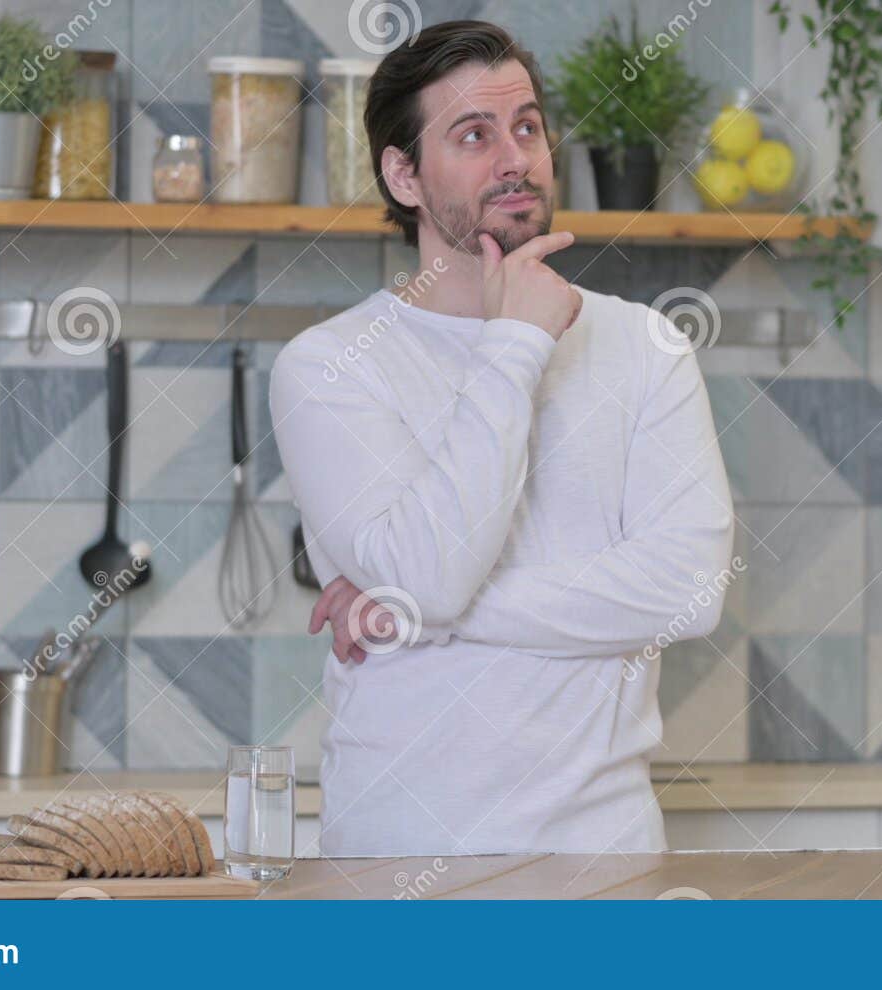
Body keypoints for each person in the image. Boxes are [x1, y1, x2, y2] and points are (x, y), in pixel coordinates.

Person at [267, 20, 733, 856]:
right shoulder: (330, 367)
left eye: (526, 128)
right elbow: (429, 583)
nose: (514, 157)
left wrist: (413, 610)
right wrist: (514, 345)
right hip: (395, 861)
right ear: (403, 174)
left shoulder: (647, 346)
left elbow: (689, 593)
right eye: (474, 135)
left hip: (606, 862)